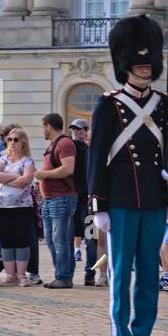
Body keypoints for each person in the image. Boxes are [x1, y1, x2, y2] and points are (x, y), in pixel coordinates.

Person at [88, 14, 168, 336]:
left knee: (149, 277)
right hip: (121, 200)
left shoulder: (163, 104)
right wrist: (99, 204)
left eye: (148, 65)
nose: (144, 70)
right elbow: (97, 156)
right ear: (126, 66)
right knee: (121, 273)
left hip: (153, 198)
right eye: (138, 65)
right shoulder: (109, 104)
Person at [34, 113, 77, 289]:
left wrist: (44, 175)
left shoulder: (65, 143)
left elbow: (68, 169)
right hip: (49, 199)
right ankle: (61, 274)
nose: (42, 130)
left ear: (49, 126)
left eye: (43, 126)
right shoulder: (53, 145)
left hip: (62, 198)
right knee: (52, 240)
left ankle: (64, 277)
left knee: (61, 240)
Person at [0, 127, 35, 284]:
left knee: (21, 240)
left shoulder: (27, 161)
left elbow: (26, 180)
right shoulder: (2, 159)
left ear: (23, 142)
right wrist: (16, 176)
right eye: (9, 139)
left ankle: (22, 275)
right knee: (6, 240)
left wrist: (7, 178)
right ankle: (10, 275)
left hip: (22, 207)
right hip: (2, 206)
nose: (12, 143)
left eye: (15, 140)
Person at [68, 119, 97, 286]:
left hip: (88, 202)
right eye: (73, 129)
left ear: (86, 131)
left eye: (79, 129)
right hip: (72, 200)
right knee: (69, 238)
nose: (76, 132)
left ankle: (90, 273)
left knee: (91, 239)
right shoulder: (69, 148)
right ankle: (68, 274)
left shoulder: (91, 150)